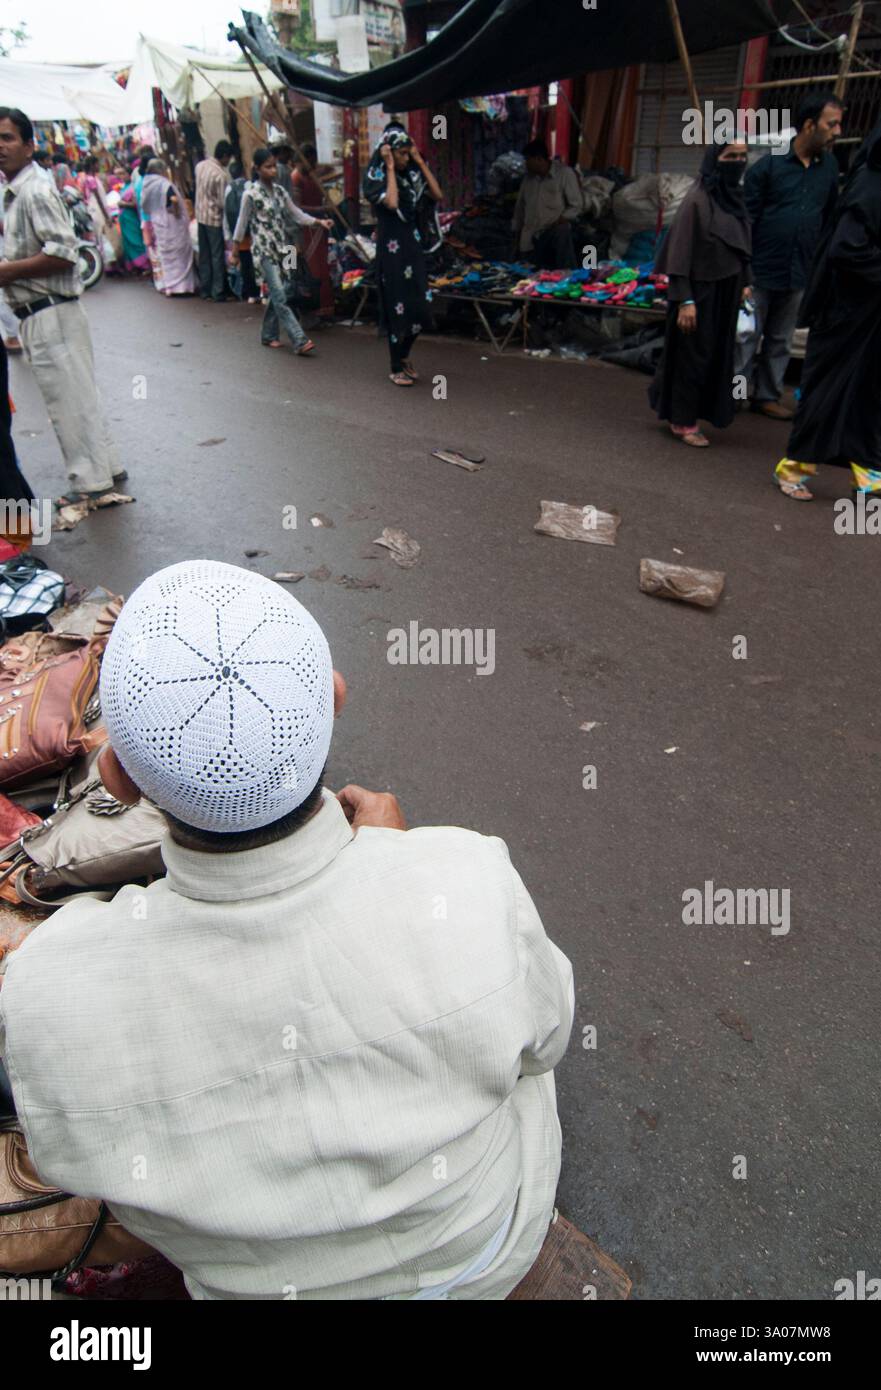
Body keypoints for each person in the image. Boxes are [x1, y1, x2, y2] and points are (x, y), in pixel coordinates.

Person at [0, 559, 574, 1300]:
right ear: (333, 697)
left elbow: (75, 1163)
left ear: (118, 779)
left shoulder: (50, 989)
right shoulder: (468, 879)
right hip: (487, 1260)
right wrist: (397, 863)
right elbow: (547, 1039)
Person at [0, 107, 125, 502]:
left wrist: (8, 272)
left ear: (29, 145)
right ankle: (107, 469)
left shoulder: (34, 190)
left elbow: (64, 251)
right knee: (81, 395)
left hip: (48, 309)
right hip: (45, 310)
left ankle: (90, 483)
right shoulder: (17, 190)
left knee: (67, 402)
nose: (0, 147)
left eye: (7, 138)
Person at [774, 120, 881, 501]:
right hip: (843, 311)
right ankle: (796, 467)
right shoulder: (869, 185)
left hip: (871, 314)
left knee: (870, 394)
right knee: (827, 388)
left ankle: (868, 473)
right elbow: (845, 250)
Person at [735, 92, 842, 420]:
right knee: (746, 335)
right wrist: (744, 270)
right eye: (832, 124)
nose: (837, 131)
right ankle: (734, 393)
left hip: (799, 269)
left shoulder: (829, 168)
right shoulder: (769, 166)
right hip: (762, 267)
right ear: (809, 125)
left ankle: (767, 396)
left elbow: (829, 217)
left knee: (781, 338)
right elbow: (746, 219)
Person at [649, 140, 752, 447]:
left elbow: (742, 248)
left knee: (716, 356)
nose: (737, 162)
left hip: (727, 293)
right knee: (691, 356)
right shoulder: (696, 201)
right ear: (715, 160)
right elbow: (680, 255)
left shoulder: (735, 201)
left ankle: (701, 412)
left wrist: (745, 282)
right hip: (698, 295)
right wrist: (685, 300)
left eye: (742, 157)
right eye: (730, 156)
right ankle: (682, 420)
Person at [231, 147, 332, 357]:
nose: (273, 170)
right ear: (258, 169)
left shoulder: (280, 192)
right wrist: (234, 251)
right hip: (265, 251)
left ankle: (268, 333)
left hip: (286, 247)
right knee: (279, 293)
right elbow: (241, 224)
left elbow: (296, 214)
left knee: (287, 290)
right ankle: (299, 339)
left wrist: (319, 222)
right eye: (268, 167)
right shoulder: (250, 195)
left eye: (273, 166)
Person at [362, 124, 443, 387]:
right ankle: (395, 365)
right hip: (391, 250)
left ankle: (405, 354)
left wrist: (418, 160)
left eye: (408, 154)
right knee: (397, 308)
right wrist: (388, 167)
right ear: (388, 152)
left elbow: (437, 193)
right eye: (402, 154)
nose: (406, 159)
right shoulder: (375, 177)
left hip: (413, 245)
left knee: (421, 304)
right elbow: (393, 203)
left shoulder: (411, 175)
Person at [512, 138, 583, 269]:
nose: (525, 164)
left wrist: (562, 219)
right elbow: (520, 209)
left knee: (563, 231)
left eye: (528, 160)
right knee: (526, 275)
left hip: (552, 231)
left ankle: (569, 275)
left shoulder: (564, 174)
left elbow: (576, 205)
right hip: (530, 237)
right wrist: (516, 237)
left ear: (539, 159)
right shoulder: (528, 179)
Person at [139, 158, 197, 296]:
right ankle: (183, 287)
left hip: (158, 224)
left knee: (166, 256)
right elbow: (174, 200)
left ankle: (170, 287)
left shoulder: (147, 184)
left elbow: (144, 205)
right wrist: (176, 211)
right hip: (171, 223)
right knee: (179, 255)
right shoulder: (163, 184)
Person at [291, 142, 335, 323]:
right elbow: (296, 209)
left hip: (315, 228)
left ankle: (322, 308)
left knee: (320, 268)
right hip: (297, 235)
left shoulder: (311, 176)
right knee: (299, 273)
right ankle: (302, 310)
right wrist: (320, 209)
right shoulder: (294, 179)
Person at [194, 138, 233, 301]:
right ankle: (218, 291)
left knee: (204, 254)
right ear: (224, 156)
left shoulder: (200, 166)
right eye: (228, 158)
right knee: (217, 255)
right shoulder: (221, 175)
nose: (229, 162)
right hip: (214, 219)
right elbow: (222, 202)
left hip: (200, 215)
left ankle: (205, 289)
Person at [223, 159, 258, 302]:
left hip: (240, 235)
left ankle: (251, 293)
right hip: (253, 232)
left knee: (246, 263)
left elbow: (226, 213)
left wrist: (229, 236)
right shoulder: (250, 185)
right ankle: (262, 291)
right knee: (256, 263)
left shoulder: (228, 189)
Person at [116, 162, 150, 274]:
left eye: (124, 174)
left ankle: (144, 264)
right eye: (120, 174)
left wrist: (123, 204)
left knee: (136, 240)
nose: (122, 177)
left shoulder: (133, 187)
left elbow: (136, 204)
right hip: (124, 219)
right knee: (128, 242)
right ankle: (134, 265)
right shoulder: (123, 187)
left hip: (131, 218)